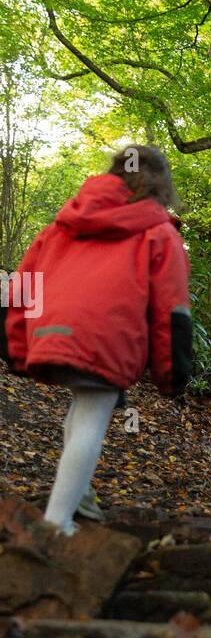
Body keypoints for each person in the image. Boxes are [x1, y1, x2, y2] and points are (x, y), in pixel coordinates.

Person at [0, 145, 193, 534]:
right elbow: (170, 311)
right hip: (108, 336)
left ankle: (80, 495)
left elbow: (24, 283)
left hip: (52, 330)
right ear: (162, 186)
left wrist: (15, 342)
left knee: (82, 404)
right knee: (91, 415)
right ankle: (57, 524)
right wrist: (172, 372)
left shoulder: (64, 224)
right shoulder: (159, 233)